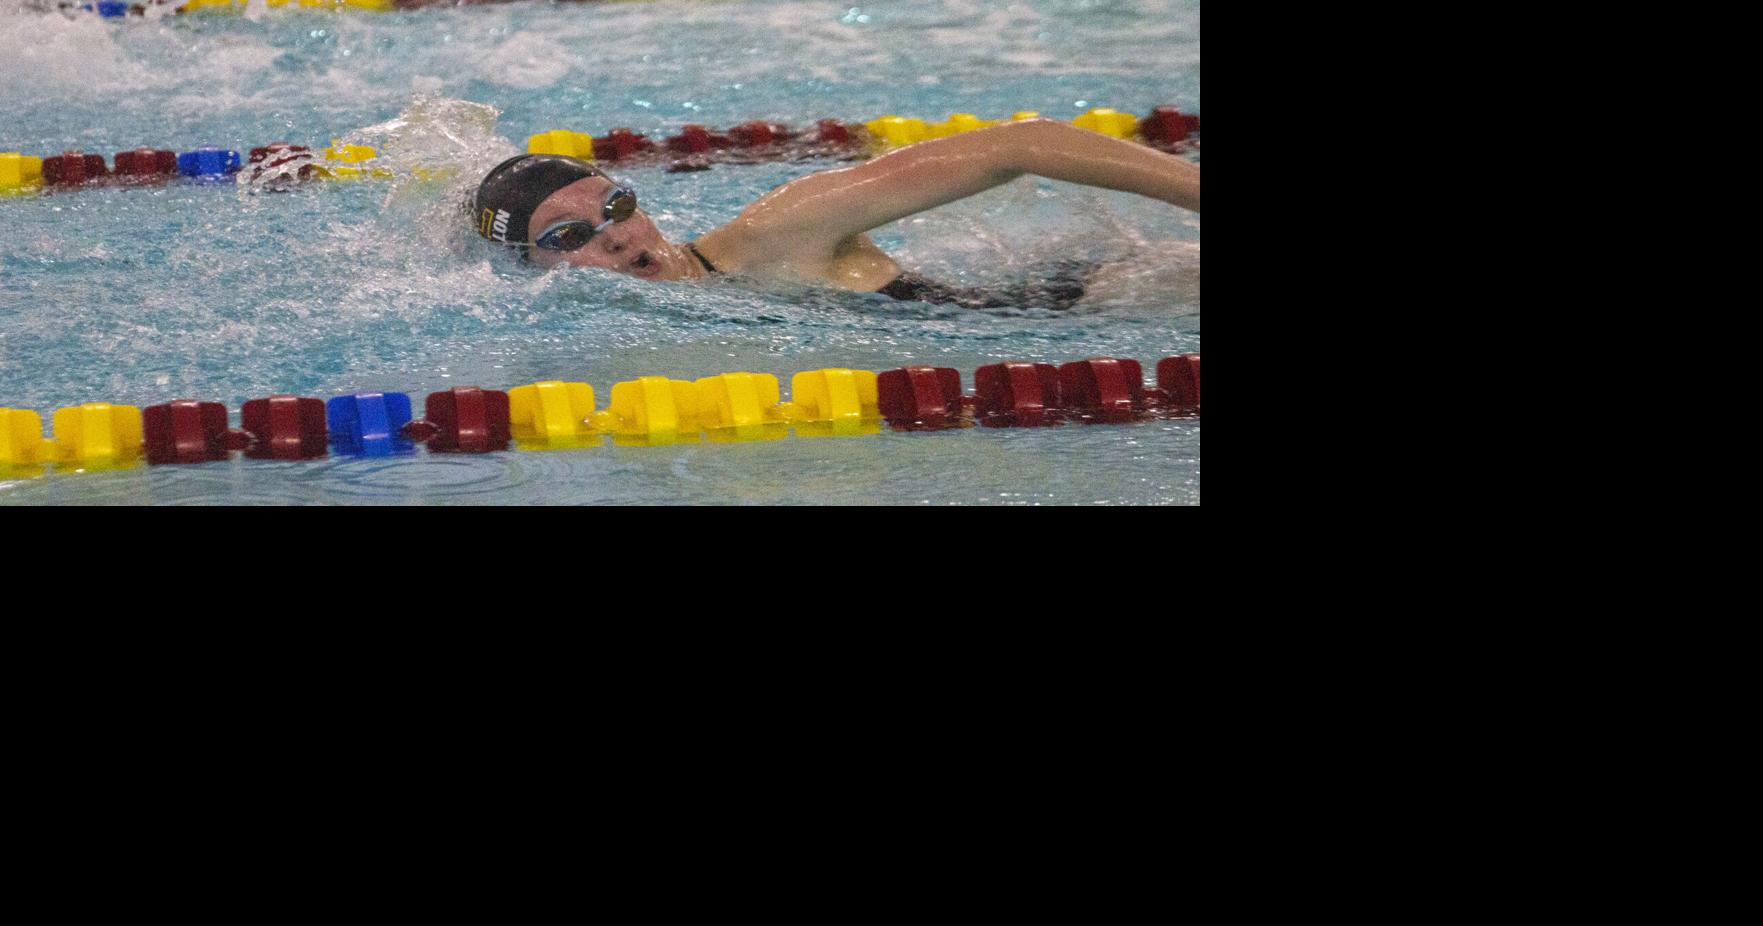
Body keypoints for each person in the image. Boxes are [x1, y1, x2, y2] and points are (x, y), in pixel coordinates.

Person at [471, 117, 1199, 309]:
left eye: (618, 205)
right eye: (571, 236)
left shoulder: (777, 232)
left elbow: (1021, 143)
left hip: (1111, 299)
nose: (617, 237)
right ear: (529, 269)